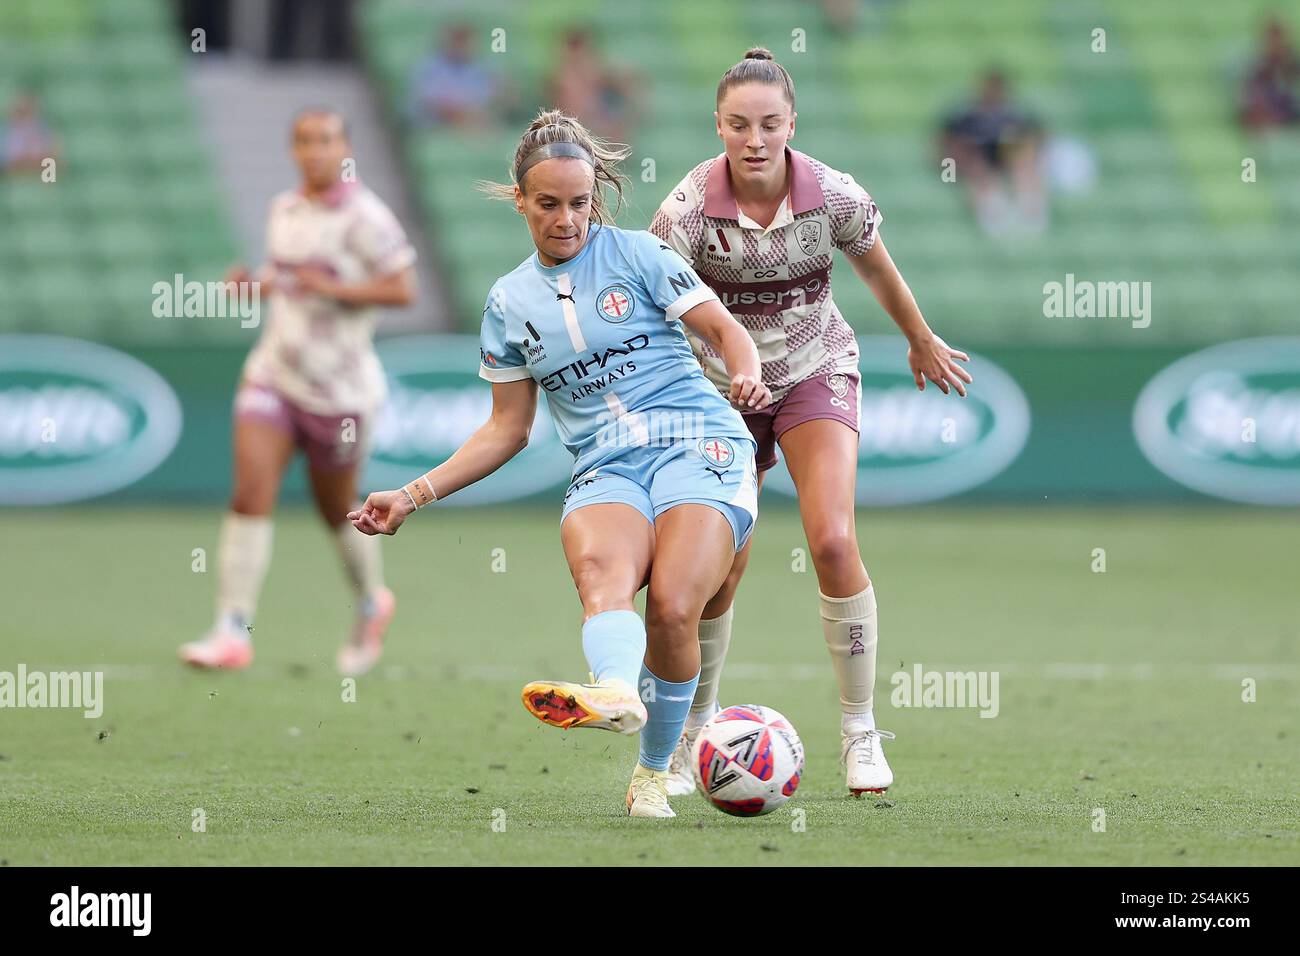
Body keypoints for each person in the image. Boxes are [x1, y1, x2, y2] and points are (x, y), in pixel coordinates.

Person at [347, 109, 771, 818]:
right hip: (606, 466)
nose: (566, 219)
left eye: (579, 203)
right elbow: (506, 431)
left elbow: (725, 332)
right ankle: (612, 690)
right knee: (603, 577)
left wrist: (748, 371)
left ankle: (651, 772)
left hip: (698, 442)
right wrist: (412, 495)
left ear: (593, 197)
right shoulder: (508, 303)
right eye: (548, 204)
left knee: (672, 605)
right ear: (521, 201)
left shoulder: (639, 255)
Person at [650, 48, 972, 798]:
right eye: (738, 125)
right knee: (718, 572)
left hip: (813, 369)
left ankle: (860, 731)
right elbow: (662, 313)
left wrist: (920, 336)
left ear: (792, 123)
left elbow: (877, 268)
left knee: (830, 537)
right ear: (718, 127)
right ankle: (694, 729)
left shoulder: (834, 196)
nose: (754, 139)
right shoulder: (685, 212)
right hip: (719, 391)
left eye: (768, 124)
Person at [179, 108, 418, 676]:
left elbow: (403, 288)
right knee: (250, 494)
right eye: (305, 141)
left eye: (326, 140)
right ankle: (232, 630)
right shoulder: (284, 210)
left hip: (340, 393)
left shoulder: (367, 218)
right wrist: (253, 287)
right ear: (293, 149)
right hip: (275, 376)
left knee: (338, 508)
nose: (315, 150)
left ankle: (370, 603)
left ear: (345, 147)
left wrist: (335, 288)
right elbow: (284, 278)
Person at [940, 69, 1046, 236]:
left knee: (1023, 162)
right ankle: (993, 218)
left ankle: (1030, 214)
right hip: (977, 165)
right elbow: (949, 144)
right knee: (978, 167)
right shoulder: (967, 118)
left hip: (1007, 160)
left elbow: (1036, 139)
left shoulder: (1015, 117)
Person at [1239, 18, 1299, 131]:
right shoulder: (1256, 71)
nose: (1277, 44)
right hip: (1272, 131)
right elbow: (1250, 111)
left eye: (1281, 38)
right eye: (1273, 39)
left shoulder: (1294, 66)